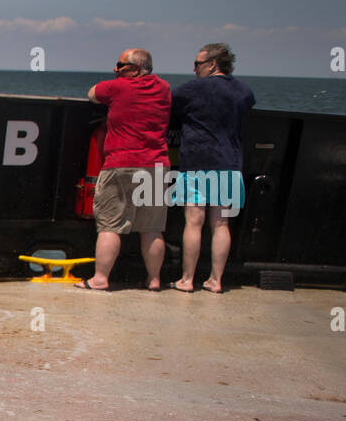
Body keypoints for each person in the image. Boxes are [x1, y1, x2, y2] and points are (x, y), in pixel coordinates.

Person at [82, 48, 171, 291]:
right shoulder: (164, 88)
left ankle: (100, 278)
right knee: (152, 228)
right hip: (156, 165)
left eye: (120, 65)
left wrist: (117, 83)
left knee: (110, 225)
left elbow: (92, 94)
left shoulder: (117, 87)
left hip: (121, 164)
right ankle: (154, 279)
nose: (115, 70)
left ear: (134, 69)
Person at [170, 43, 256, 293]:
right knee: (221, 225)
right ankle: (216, 280)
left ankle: (187, 280)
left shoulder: (193, 89)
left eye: (198, 63)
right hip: (229, 163)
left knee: (194, 222)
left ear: (212, 64)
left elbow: (171, 106)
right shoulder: (243, 90)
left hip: (198, 161)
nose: (194, 68)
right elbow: (248, 103)